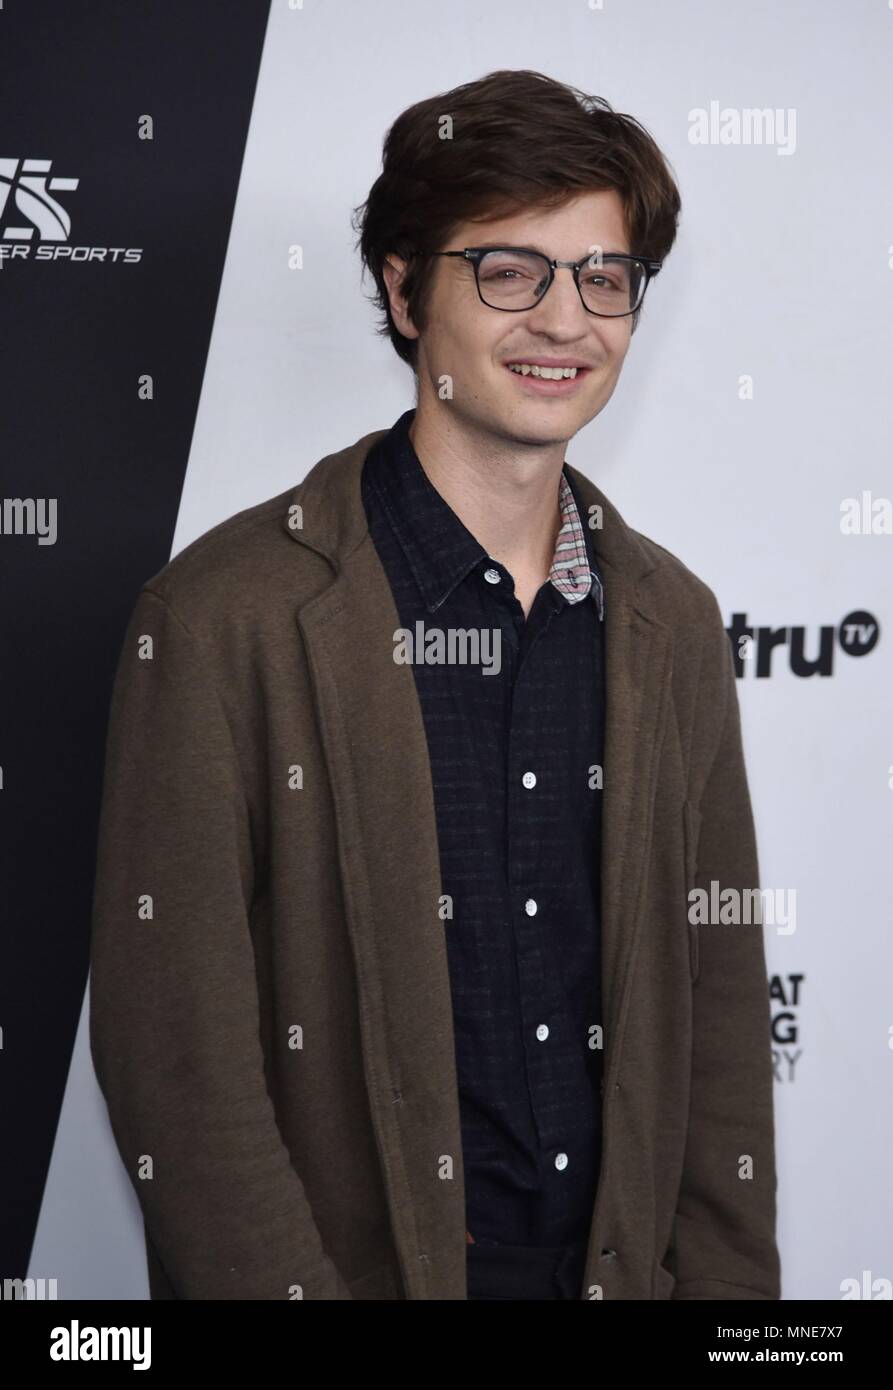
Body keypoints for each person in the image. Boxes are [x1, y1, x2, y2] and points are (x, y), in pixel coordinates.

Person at [89, 68, 780, 1301]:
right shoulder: (219, 619)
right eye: (508, 270)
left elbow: (719, 1023)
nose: (564, 321)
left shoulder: (672, 623)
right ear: (405, 293)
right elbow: (176, 1066)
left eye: (602, 277)